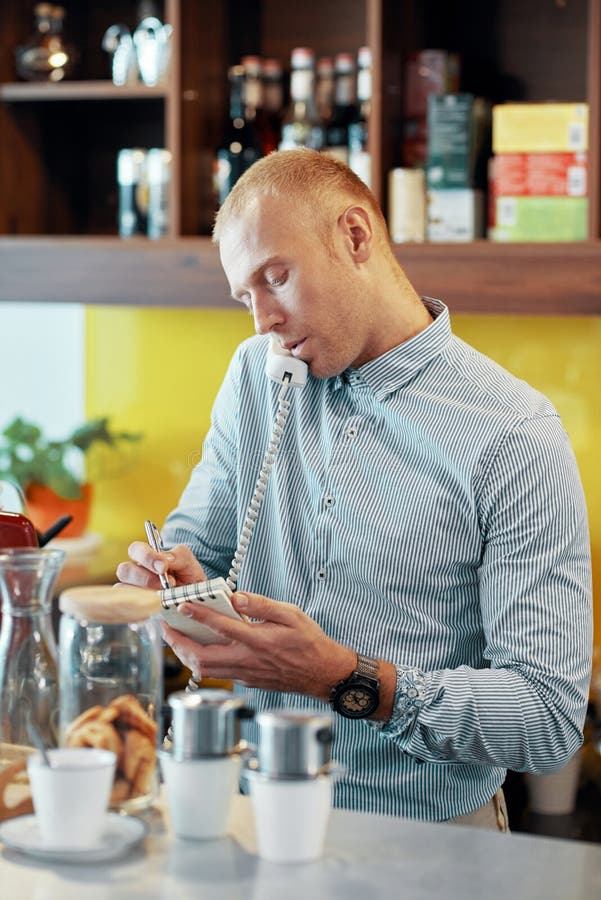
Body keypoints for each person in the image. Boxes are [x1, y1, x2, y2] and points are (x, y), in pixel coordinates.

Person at [117, 149, 592, 829]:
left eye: (275, 278)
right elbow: (202, 545)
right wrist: (168, 581)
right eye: (243, 296)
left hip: (428, 841)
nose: (261, 321)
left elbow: (546, 720)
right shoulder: (255, 375)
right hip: (250, 816)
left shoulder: (515, 435)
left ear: (355, 236)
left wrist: (343, 678)